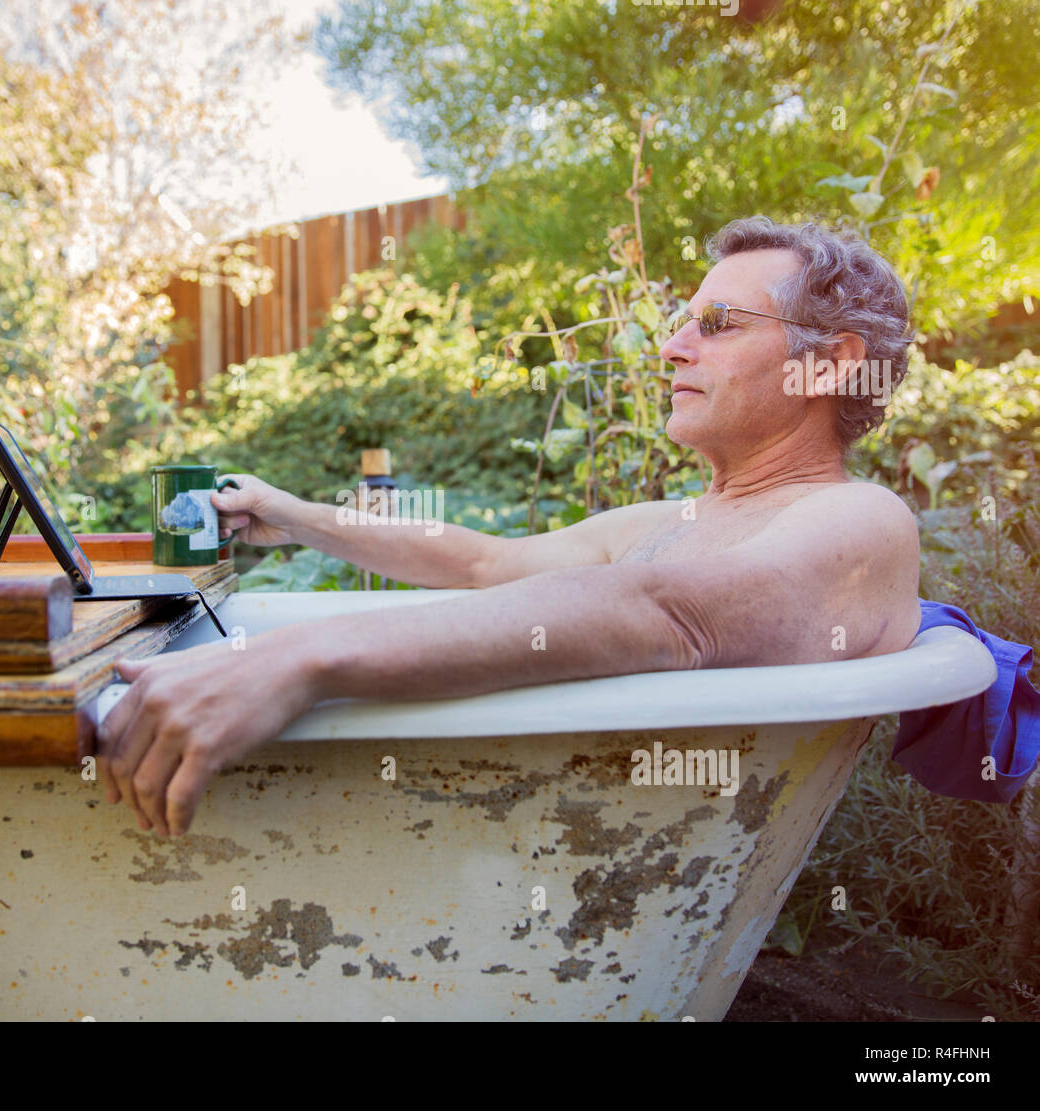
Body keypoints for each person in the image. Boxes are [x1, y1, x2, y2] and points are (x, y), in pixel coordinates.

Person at [97, 216, 922, 837]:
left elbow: (670, 614)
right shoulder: (670, 519)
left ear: (833, 358)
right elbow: (486, 564)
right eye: (683, 320)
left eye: (717, 324)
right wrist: (291, 512)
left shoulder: (858, 517)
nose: (671, 346)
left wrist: (301, 656)